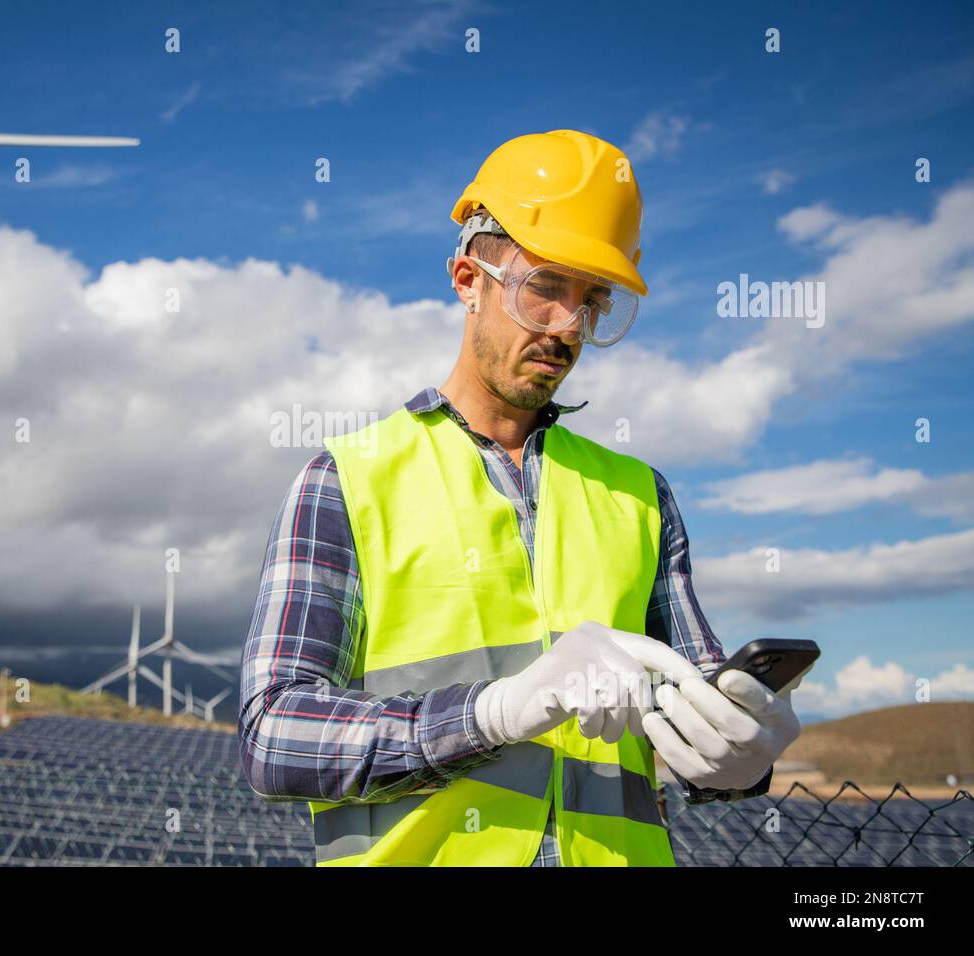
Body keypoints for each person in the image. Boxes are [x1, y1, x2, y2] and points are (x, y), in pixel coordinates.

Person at [238, 130, 801, 866]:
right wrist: (496, 711)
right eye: (544, 288)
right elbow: (275, 735)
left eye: (593, 300)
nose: (568, 326)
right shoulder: (348, 478)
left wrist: (740, 759)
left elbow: (698, 706)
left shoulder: (640, 495)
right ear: (468, 279)